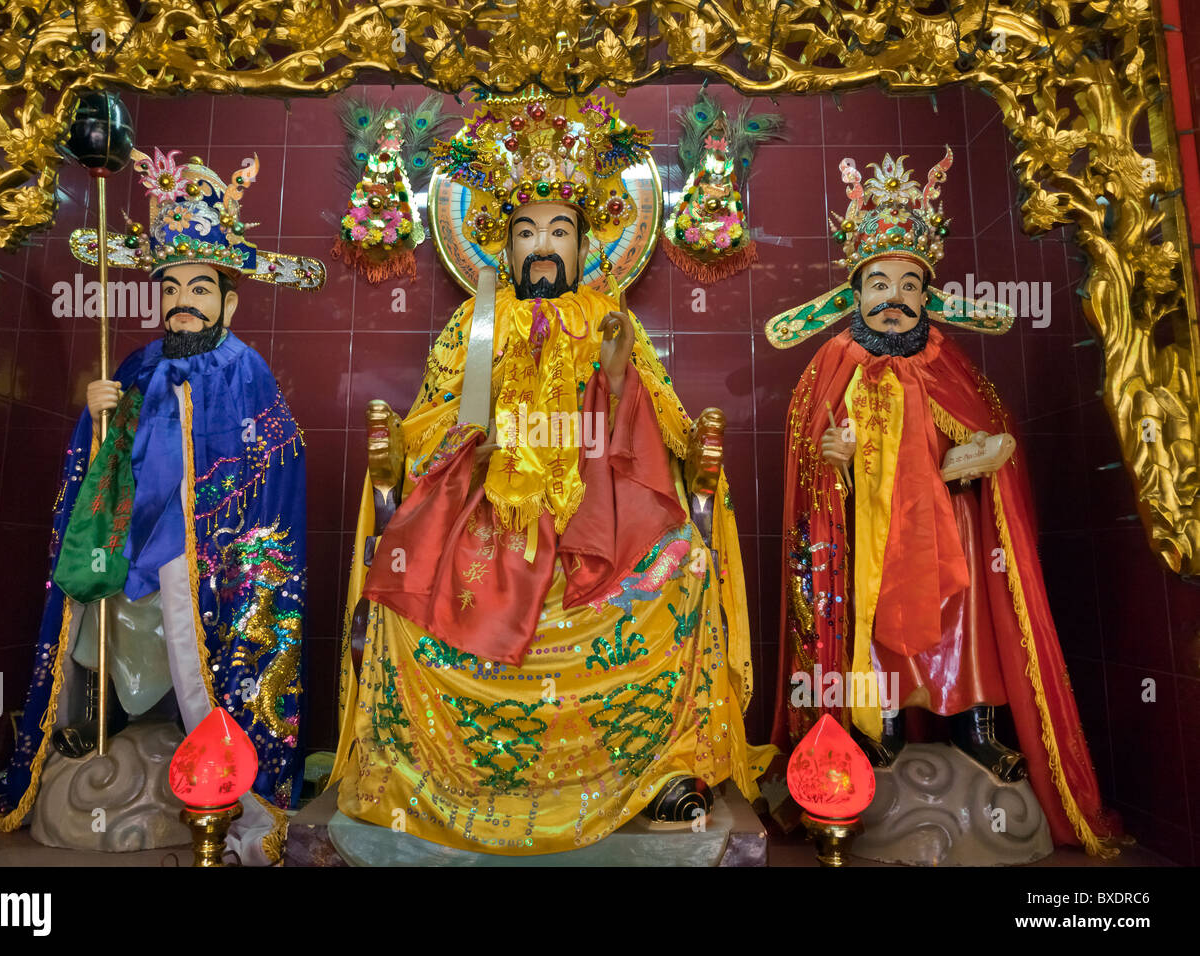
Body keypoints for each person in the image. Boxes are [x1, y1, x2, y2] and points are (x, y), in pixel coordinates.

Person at [330, 89, 774, 855]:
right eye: (525, 230)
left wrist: (618, 374)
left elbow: (660, 427)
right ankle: (424, 773)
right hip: (490, 508)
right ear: (500, 248)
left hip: (598, 508)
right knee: (409, 590)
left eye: (558, 230)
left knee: (685, 573)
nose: (542, 245)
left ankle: (663, 768)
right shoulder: (474, 322)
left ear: (585, 243)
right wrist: (413, 454)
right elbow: (442, 422)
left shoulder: (610, 316)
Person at [0, 148, 323, 864]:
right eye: (169, 288)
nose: (181, 301)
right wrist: (98, 415)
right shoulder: (136, 364)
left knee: (198, 653)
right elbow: (101, 465)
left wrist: (203, 495)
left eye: (199, 287)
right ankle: (90, 739)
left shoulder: (244, 370)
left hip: (202, 557)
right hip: (128, 542)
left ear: (229, 299)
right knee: (95, 621)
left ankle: (225, 788)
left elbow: (275, 466)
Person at [765, 149, 1121, 856]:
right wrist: (828, 467)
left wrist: (987, 457)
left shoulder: (950, 363)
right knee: (869, 628)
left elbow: (993, 438)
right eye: (876, 282)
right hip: (867, 536)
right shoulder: (831, 363)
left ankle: (975, 726)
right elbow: (807, 454)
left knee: (968, 624)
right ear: (854, 292)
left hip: (952, 534)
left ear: (927, 296)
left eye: (907, 284)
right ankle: (881, 726)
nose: (891, 297)